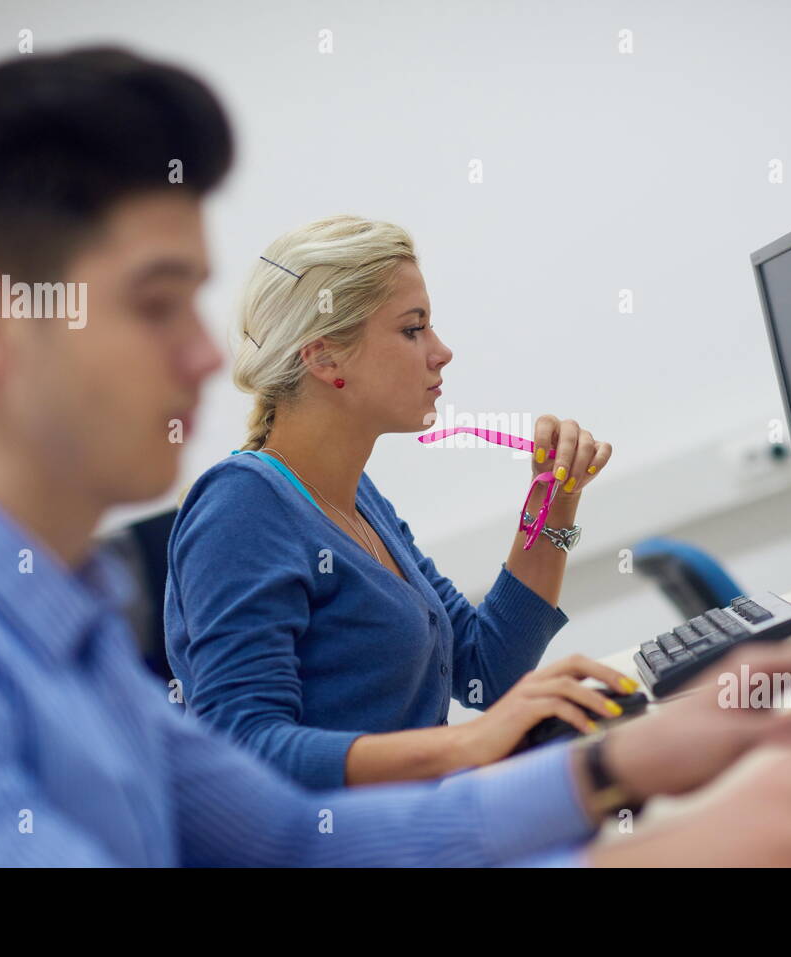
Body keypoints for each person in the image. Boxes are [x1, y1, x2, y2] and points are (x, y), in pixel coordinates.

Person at [0, 45, 791, 868]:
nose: (199, 357)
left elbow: (285, 837)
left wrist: (615, 765)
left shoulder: (62, 608)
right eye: (156, 305)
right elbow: (287, 756)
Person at [165, 215, 638, 788]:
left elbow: (487, 671)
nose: (442, 352)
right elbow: (246, 750)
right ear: (325, 358)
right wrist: (461, 745)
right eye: (413, 329)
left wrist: (554, 505)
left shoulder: (356, 497)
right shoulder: (241, 508)